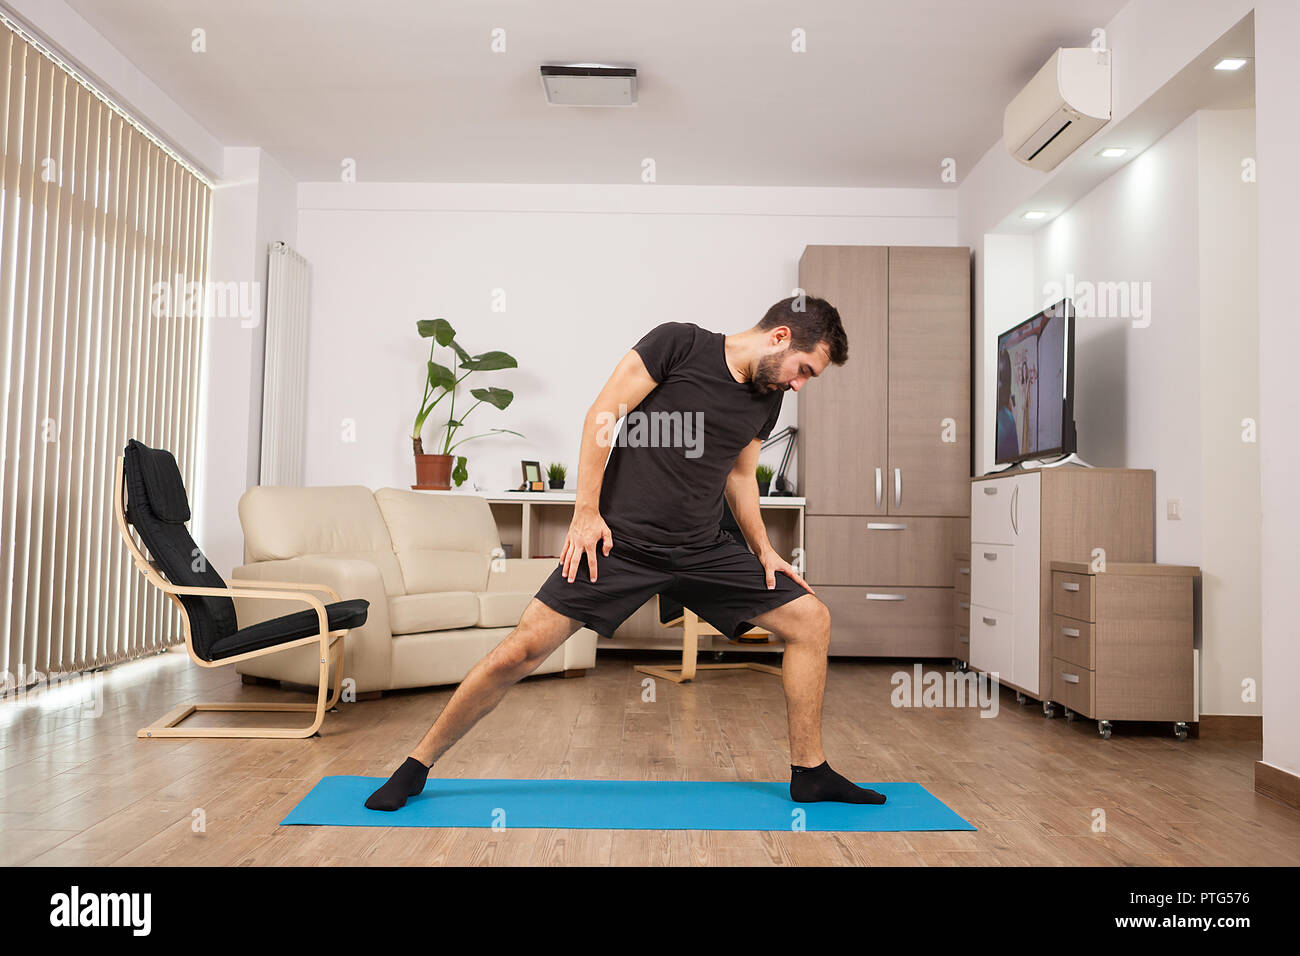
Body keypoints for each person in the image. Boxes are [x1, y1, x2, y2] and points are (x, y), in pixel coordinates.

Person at [366, 296, 886, 810]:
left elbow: (741, 475)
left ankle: (810, 772)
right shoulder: (678, 343)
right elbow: (603, 416)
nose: (799, 385)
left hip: (703, 550)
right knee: (522, 650)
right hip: (622, 545)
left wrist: (765, 551)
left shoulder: (767, 398)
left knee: (811, 620)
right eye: (804, 370)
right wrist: (585, 513)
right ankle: (417, 765)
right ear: (779, 337)